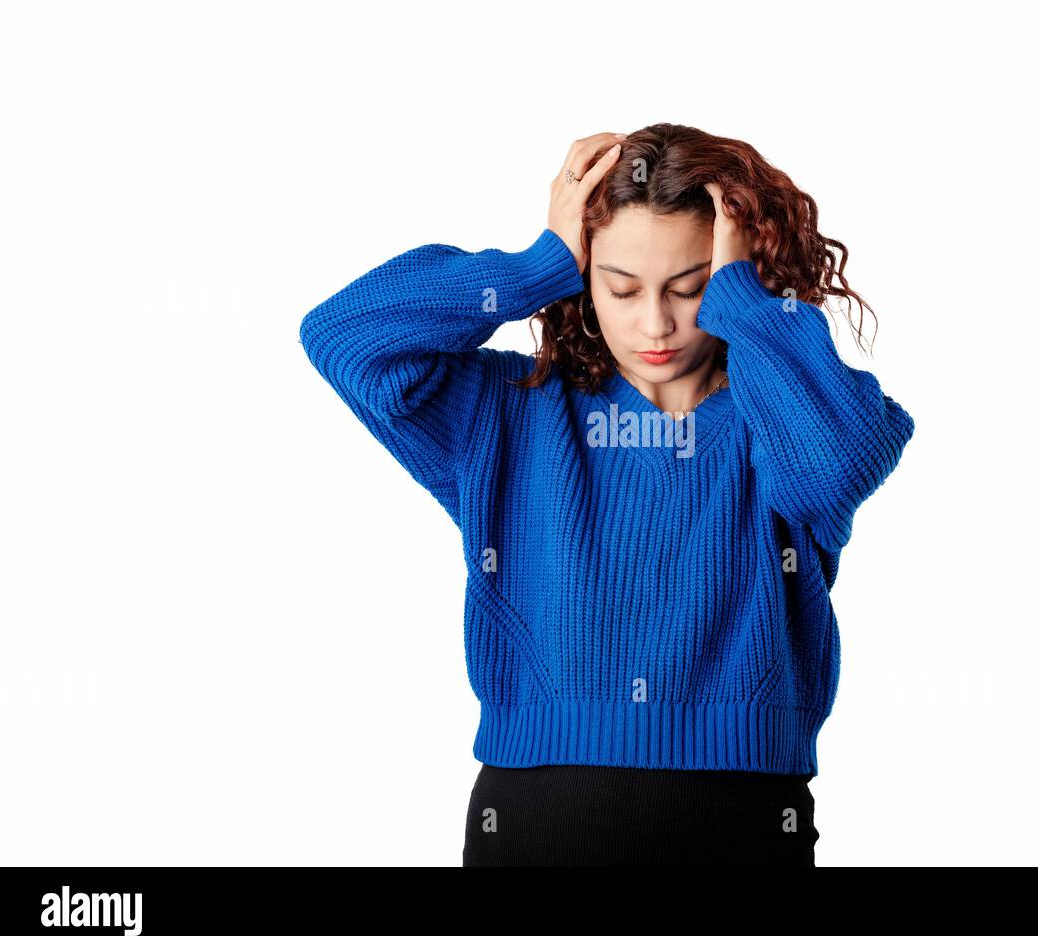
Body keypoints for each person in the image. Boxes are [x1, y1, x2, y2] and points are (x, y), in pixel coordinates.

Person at [299, 123, 915, 866]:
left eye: (690, 288)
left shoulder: (780, 417)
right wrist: (535, 265)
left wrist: (749, 307)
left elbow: (841, 461)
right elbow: (343, 337)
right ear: (586, 279)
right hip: (536, 823)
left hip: (747, 823)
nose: (654, 323)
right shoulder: (509, 410)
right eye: (621, 287)